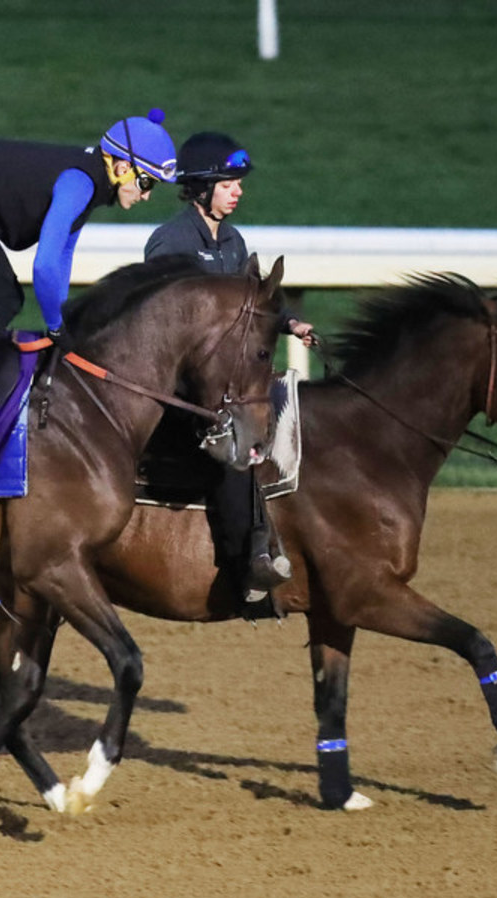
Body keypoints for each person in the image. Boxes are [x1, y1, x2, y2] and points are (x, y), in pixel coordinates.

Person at [0, 110, 178, 432]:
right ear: (121, 167)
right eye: (146, 182)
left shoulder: (89, 184)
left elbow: (63, 256)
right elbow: (45, 265)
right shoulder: (80, 183)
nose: (146, 195)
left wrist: (60, 322)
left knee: (0, 296)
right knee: (0, 298)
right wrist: (55, 326)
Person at [144, 131, 314, 611]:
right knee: (235, 446)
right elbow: (166, 321)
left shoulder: (233, 241)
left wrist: (289, 324)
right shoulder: (170, 242)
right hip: (180, 386)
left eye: (237, 183)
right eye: (227, 183)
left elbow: (248, 311)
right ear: (200, 188)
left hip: (222, 383)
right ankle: (247, 565)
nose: (237, 191)